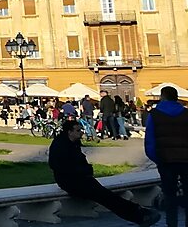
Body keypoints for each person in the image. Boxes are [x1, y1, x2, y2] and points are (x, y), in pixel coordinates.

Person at [49, 118, 160, 226]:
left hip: (83, 179)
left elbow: (80, 161)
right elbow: (59, 166)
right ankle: (138, 213)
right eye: (78, 130)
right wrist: (82, 171)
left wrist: (86, 170)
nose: (81, 132)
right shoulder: (60, 146)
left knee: (107, 195)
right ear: (70, 132)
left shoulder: (73, 143)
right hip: (70, 182)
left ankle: (137, 212)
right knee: (105, 197)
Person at [145, 85, 187, 227]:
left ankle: (172, 223)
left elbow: (149, 140)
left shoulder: (155, 114)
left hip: (166, 160)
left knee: (169, 194)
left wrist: (157, 158)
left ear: (163, 96)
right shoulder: (186, 113)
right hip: (186, 160)